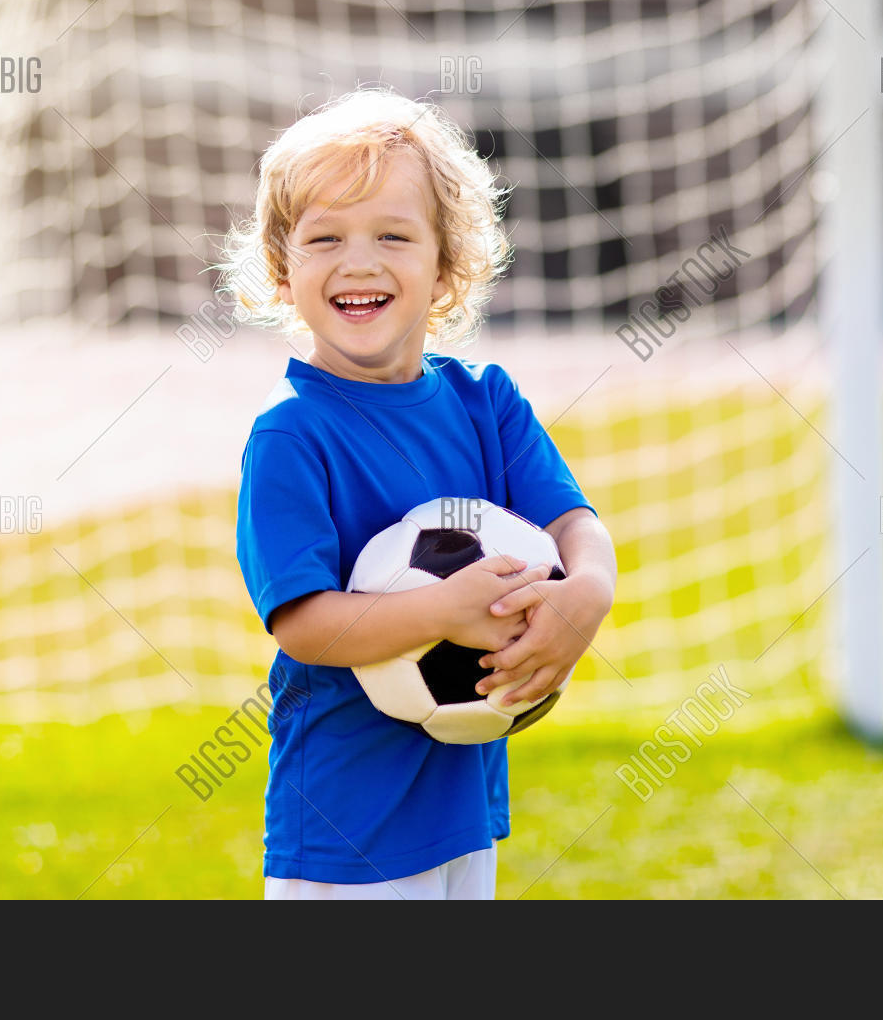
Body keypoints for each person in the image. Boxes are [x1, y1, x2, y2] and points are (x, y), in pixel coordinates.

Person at [222, 87, 617, 899]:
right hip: (345, 826)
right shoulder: (292, 433)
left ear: (445, 266)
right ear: (283, 270)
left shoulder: (486, 403)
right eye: (325, 238)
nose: (358, 262)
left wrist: (588, 595)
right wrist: (444, 611)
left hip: (464, 808)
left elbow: (575, 523)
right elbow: (305, 626)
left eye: (393, 236)